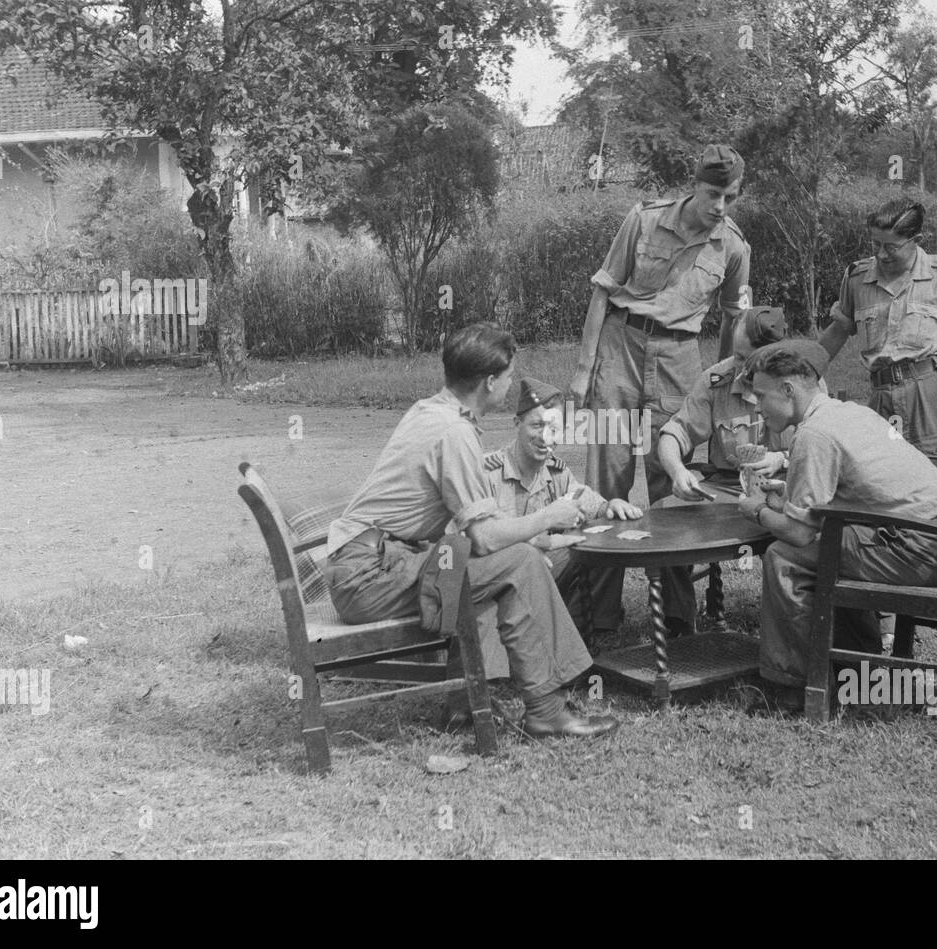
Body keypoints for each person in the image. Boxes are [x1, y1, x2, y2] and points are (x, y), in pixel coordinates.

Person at [322, 323, 618, 739]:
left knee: (486, 566)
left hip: (375, 564)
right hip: (370, 577)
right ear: (489, 382)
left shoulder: (430, 410)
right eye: (509, 376)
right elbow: (487, 538)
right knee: (521, 562)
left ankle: (464, 705)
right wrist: (551, 516)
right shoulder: (454, 433)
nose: (511, 382)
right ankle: (546, 709)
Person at [566, 143, 753, 638]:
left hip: (680, 361)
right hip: (620, 353)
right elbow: (603, 290)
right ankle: (598, 614)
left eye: (730, 197)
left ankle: (678, 618)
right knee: (607, 480)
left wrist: (722, 383)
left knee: (674, 485)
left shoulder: (733, 247)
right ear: (695, 185)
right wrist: (585, 371)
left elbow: (736, 318)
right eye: (713, 194)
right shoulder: (643, 220)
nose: (720, 206)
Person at [737, 340, 937, 714]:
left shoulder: (815, 435)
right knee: (833, 546)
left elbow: (799, 533)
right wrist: (789, 493)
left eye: (762, 395)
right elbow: (863, 489)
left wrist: (754, 510)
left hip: (927, 549)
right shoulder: (849, 413)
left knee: (786, 557)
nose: (757, 406)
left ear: (789, 390)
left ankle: (796, 690)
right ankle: (857, 672)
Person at [816, 198, 937, 482]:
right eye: (875, 245)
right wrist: (801, 370)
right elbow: (838, 330)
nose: (881, 254)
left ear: (916, 240)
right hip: (881, 398)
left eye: (891, 246)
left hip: (931, 399)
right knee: (884, 490)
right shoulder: (856, 278)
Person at [475, 377, 644, 678]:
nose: (545, 437)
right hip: (497, 576)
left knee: (591, 549)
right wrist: (532, 547)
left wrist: (609, 506)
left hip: (536, 569)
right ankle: (503, 669)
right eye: (537, 426)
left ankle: (575, 636)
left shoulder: (555, 470)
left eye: (554, 428)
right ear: (517, 423)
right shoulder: (489, 473)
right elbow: (481, 542)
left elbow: (584, 499)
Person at [659, 305, 825, 500]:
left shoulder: (805, 381)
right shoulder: (715, 381)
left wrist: (783, 459)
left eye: (746, 359)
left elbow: (823, 451)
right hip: (729, 487)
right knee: (667, 511)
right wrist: (678, 471)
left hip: (789, 486)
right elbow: (675, 433)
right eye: (737, 355)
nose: (739, 366)